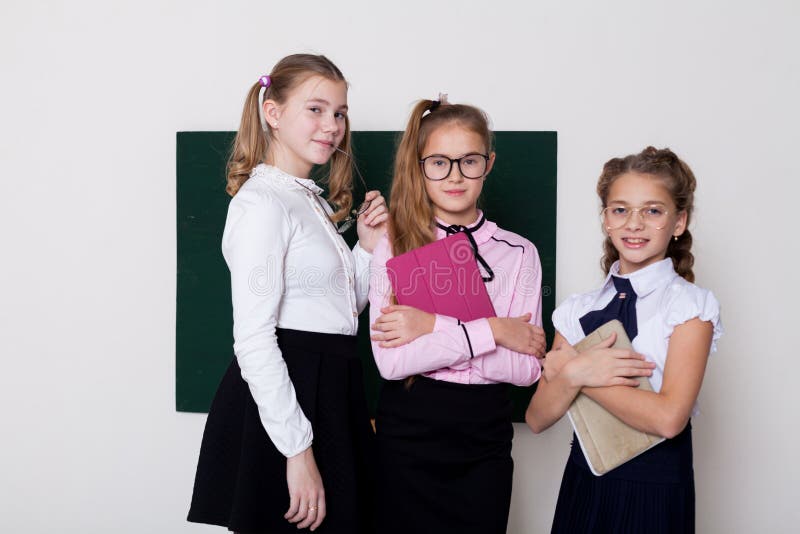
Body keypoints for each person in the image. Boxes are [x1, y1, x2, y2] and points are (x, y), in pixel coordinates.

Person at [187, 53, 387, 533]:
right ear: (272, 113)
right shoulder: (262, 203)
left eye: (339, 113)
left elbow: (339, 312)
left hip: (331, 386)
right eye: (315, 110)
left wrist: (364, 247)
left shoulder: (305, 198)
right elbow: (254, 338)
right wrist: (296, 452)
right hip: (290, 398)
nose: (332, 125)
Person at [367, 96, 546, 534]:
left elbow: (525, 369)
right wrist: (494, 330)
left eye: (469, 161)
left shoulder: (520, 252)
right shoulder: (395, 243)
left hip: (483, 437)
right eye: (439, 162)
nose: (454, 176)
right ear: (420, 164)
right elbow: (392, 363)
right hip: (408, 433)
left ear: (489, 163)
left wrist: (430, 328)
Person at [526, 146, 723, 533]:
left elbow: (669, 419)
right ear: (606, 220)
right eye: (620, 210)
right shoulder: (576, 309)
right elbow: (537, 417)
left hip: (656, 488)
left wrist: (574, 372)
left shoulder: (690, 306)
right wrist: (575, 373)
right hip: (585, 480)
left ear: (679, 221)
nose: (635, 223)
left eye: (653, 210)